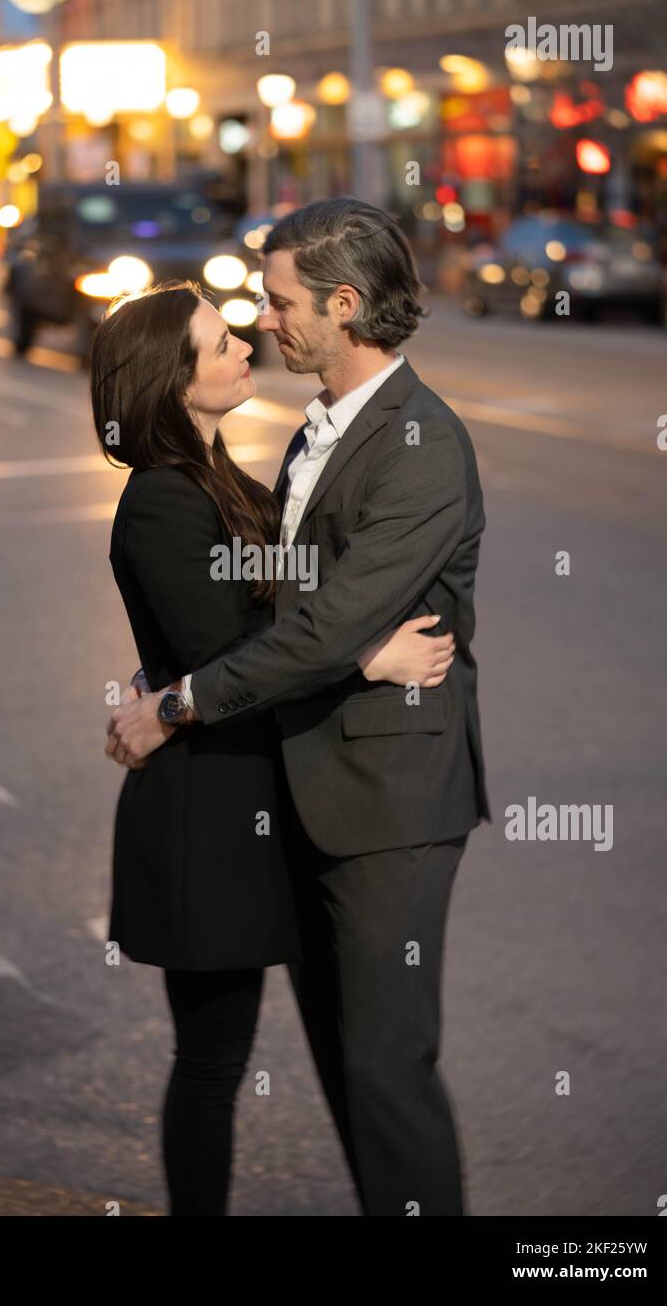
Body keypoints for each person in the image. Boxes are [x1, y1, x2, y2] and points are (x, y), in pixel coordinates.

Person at [106, 198, 490, 1217]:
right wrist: (353, 651)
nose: (264, 320)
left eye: (278, 304)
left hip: (386, 806)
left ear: (345, 305)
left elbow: (317, 630)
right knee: (345, 1073)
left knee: (385, 1074)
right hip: (306, 789)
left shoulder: (420, 445)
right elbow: (288, 615)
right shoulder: (314, 430)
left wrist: (177, 704)